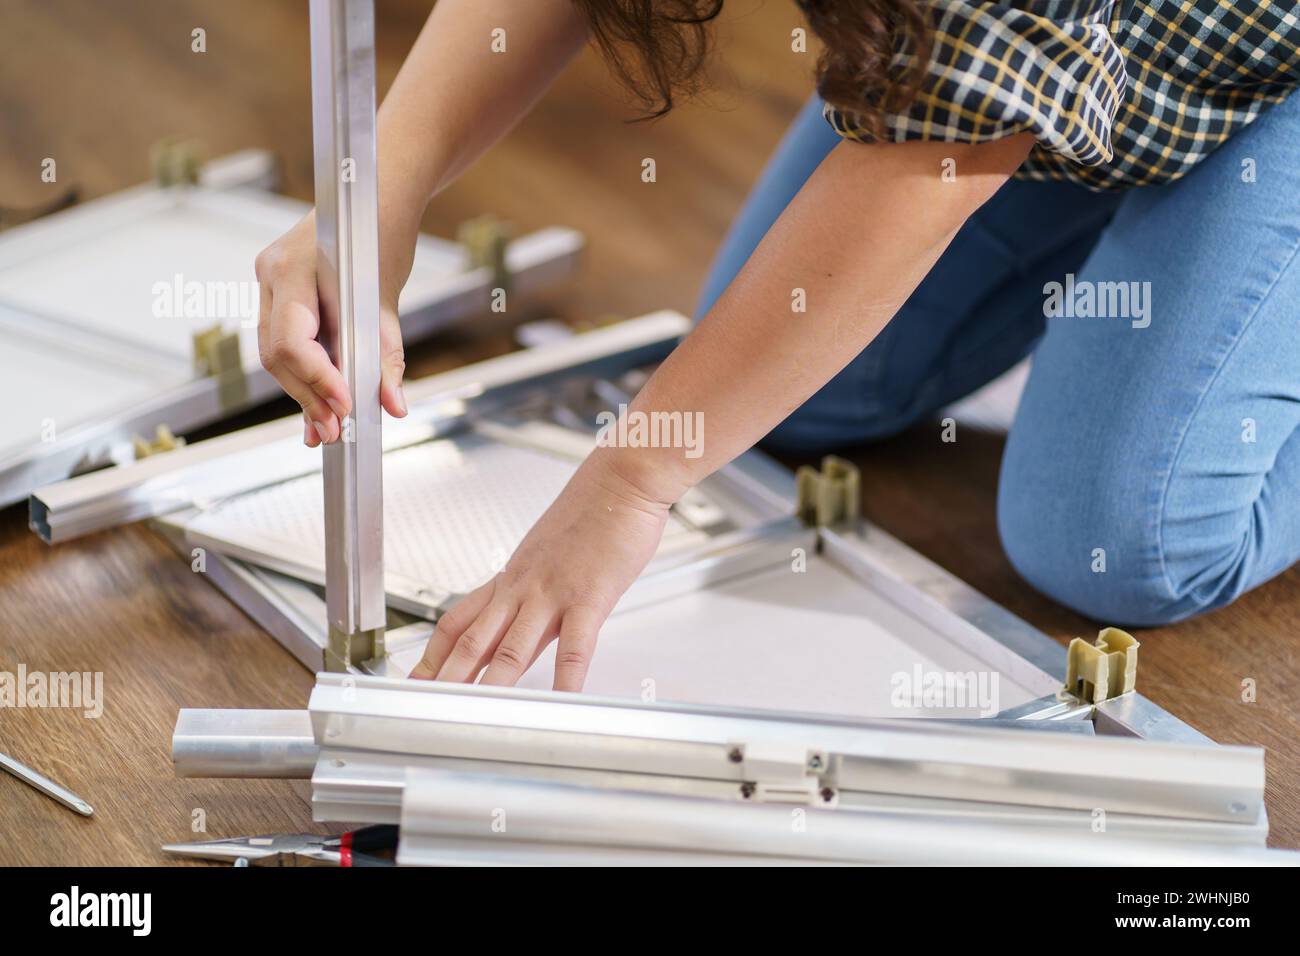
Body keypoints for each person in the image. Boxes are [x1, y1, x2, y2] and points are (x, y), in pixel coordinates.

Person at [255, 0, 1300, 691]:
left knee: (1122, 537)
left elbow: (943, 145)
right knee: (798, 399)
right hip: (1112, 38)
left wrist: (629, 478)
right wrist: (376, 190)